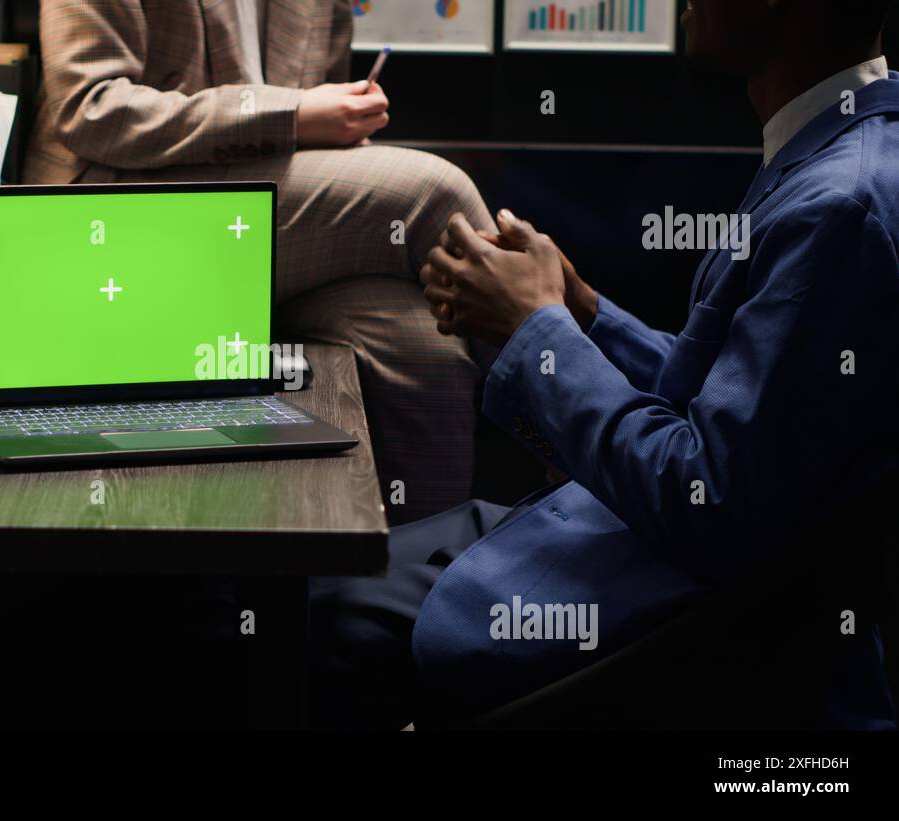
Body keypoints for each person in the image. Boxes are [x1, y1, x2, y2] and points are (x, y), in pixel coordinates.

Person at [311, 0, 899, 730]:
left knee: (327, 607)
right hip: (630, 550)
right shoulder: (839, 152)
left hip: (679, 619)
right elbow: (726, 408)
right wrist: (584, 310)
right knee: (334, 571)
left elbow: (705, 498)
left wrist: (537, 329)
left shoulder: (841, 207)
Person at [24, 0, 497, 522]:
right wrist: (290, 113)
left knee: (424, 349)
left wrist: (328, 120)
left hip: (264, 227)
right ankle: (569, 428)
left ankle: (422, 585)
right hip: (113, 219)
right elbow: (90, 109)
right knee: (435, 191)